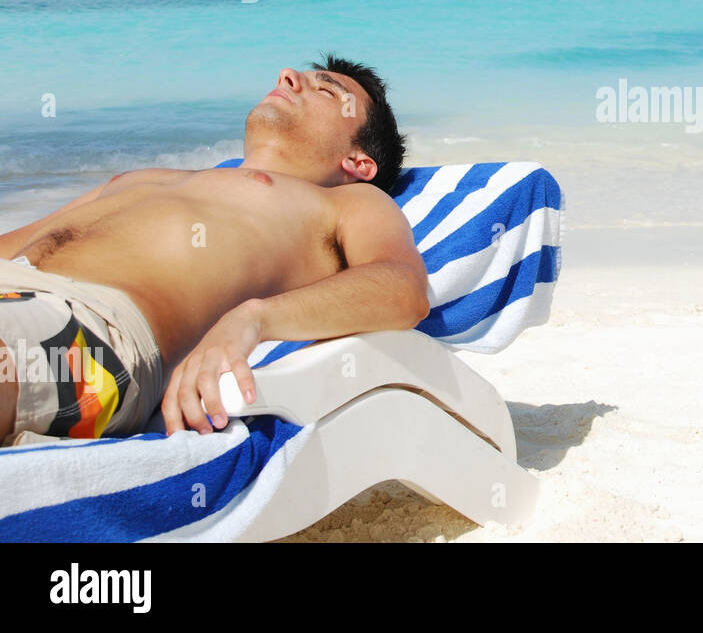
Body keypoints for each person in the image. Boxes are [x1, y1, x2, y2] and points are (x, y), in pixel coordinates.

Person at [0, 54, 428, 446]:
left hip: (87, 328)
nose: (287, 76)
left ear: (358, 162)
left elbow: (403, 288)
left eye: (325, 89)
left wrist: (254, 319)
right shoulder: (145, 178)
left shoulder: (346, 203)